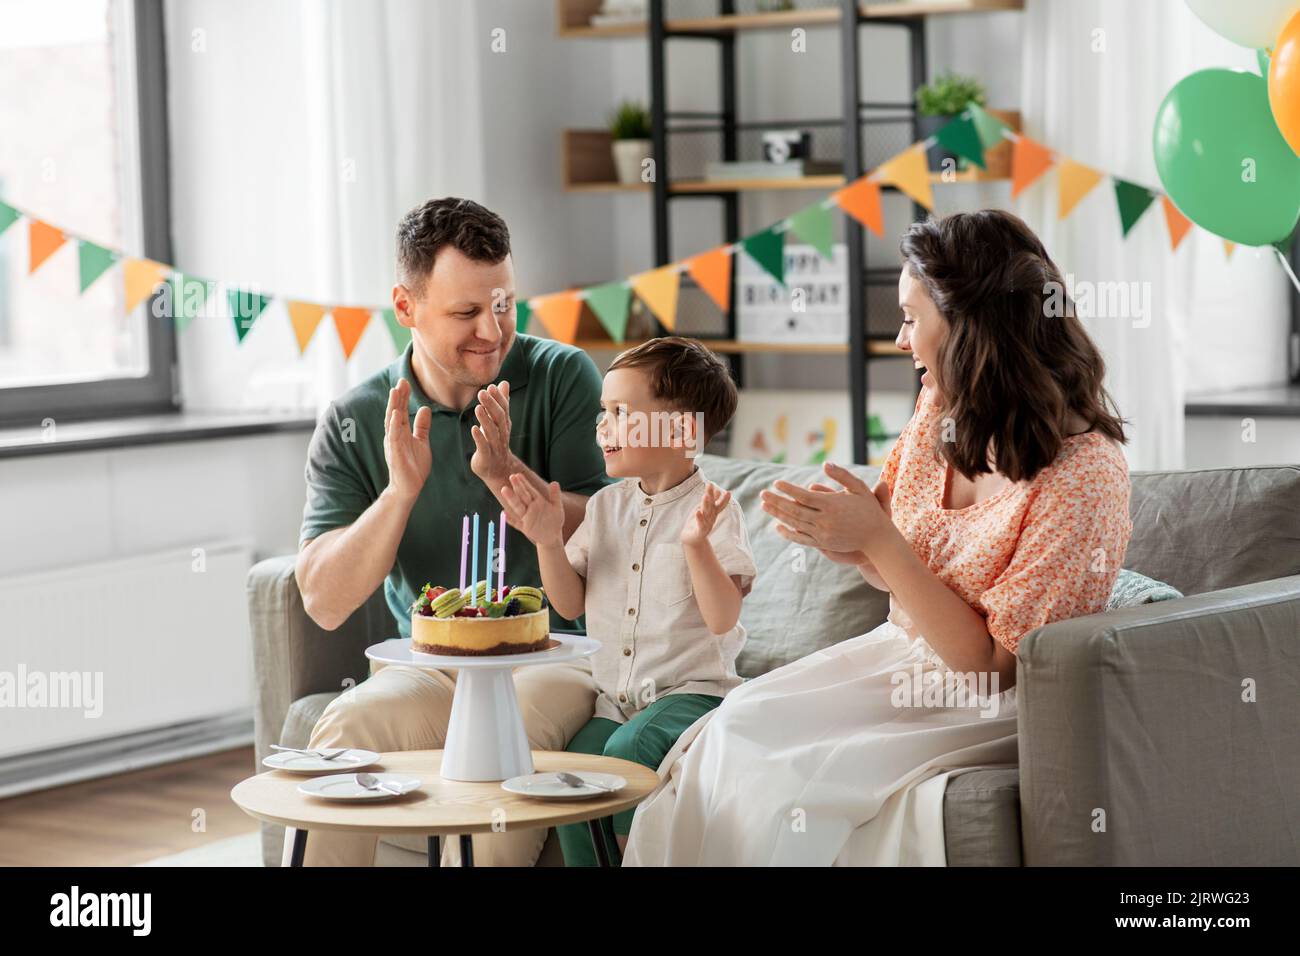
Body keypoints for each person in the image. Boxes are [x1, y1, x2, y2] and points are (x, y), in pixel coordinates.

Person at [623, 209, 1134, 866]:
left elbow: (991, 671)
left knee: (783, 786)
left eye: (912, 317)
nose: (899, 339)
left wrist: (881, 544)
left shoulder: (1084, 477)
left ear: (969, 325)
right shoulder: (941, 409)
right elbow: (886, 563)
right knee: (729, 729)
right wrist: (847, 541)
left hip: (982, 702)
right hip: (897, 659)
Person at [286, 197, 615, 866]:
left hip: (556, 658)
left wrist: (505, 474)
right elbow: (323, 600)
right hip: (434, 667)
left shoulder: (561, 377)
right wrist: (400, 493)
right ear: (405, 307)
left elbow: (617, 530)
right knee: (347, 725)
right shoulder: (356, 418)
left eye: (505, 305)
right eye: (466, 313)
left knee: (504, 742)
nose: (492, 332)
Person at [501, 337, 756, 865]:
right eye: (604, 412)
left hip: (693, 696)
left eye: (620, 413)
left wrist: (695, 546)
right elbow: (569, 605)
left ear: (682, 431)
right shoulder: (603, 508)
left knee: (627, 753)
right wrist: (547, 540)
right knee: (571, 769)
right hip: (615, 704)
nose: (602, 426)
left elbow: (722, 617)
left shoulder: (715, 512)